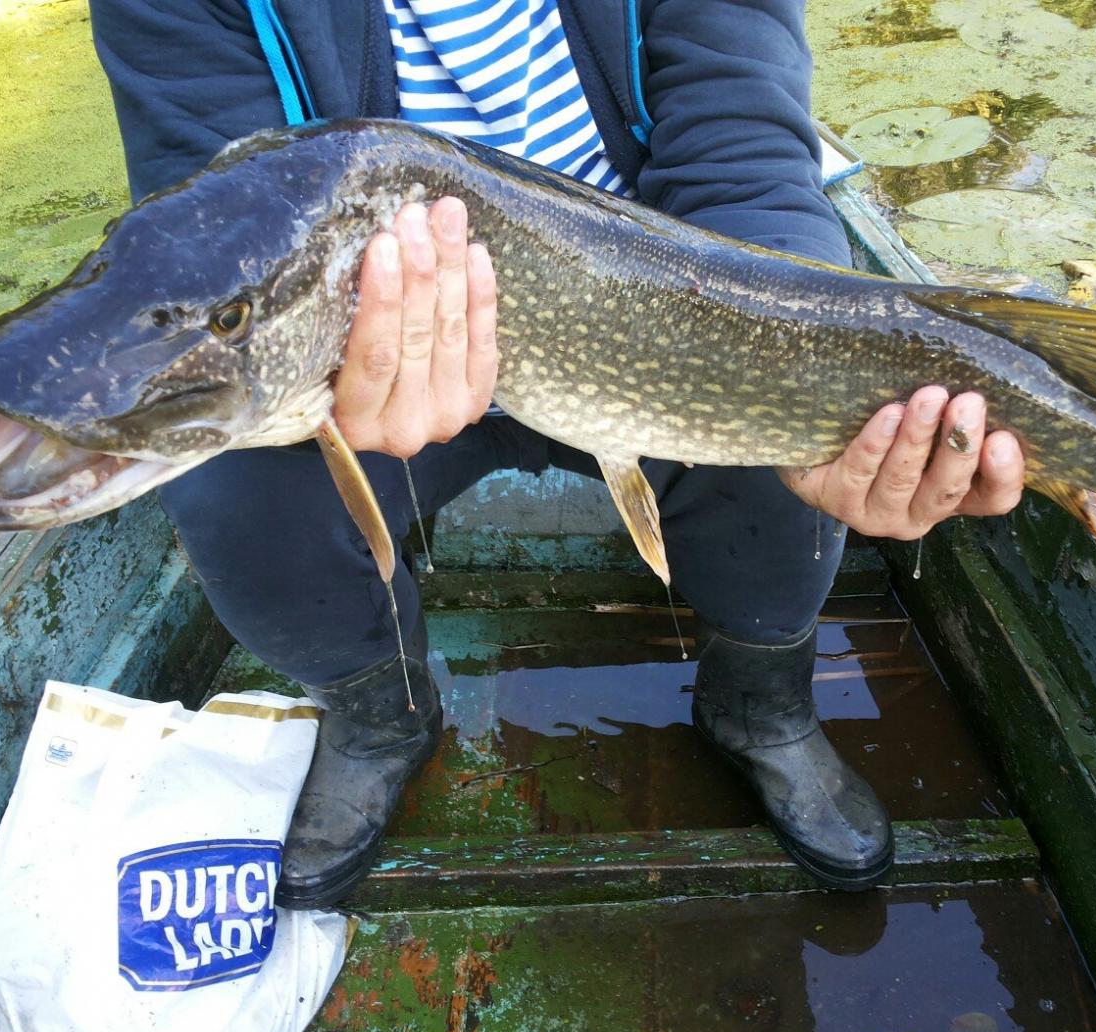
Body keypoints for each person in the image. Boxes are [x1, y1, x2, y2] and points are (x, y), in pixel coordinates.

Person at [89, 0, 1025, 906]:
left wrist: (798, 370)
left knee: (784, 451)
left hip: (647, 307)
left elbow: (742, 163)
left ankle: (760, 703)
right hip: (365, 353)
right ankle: (381, 718)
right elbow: (213, 224)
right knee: (232, 487)